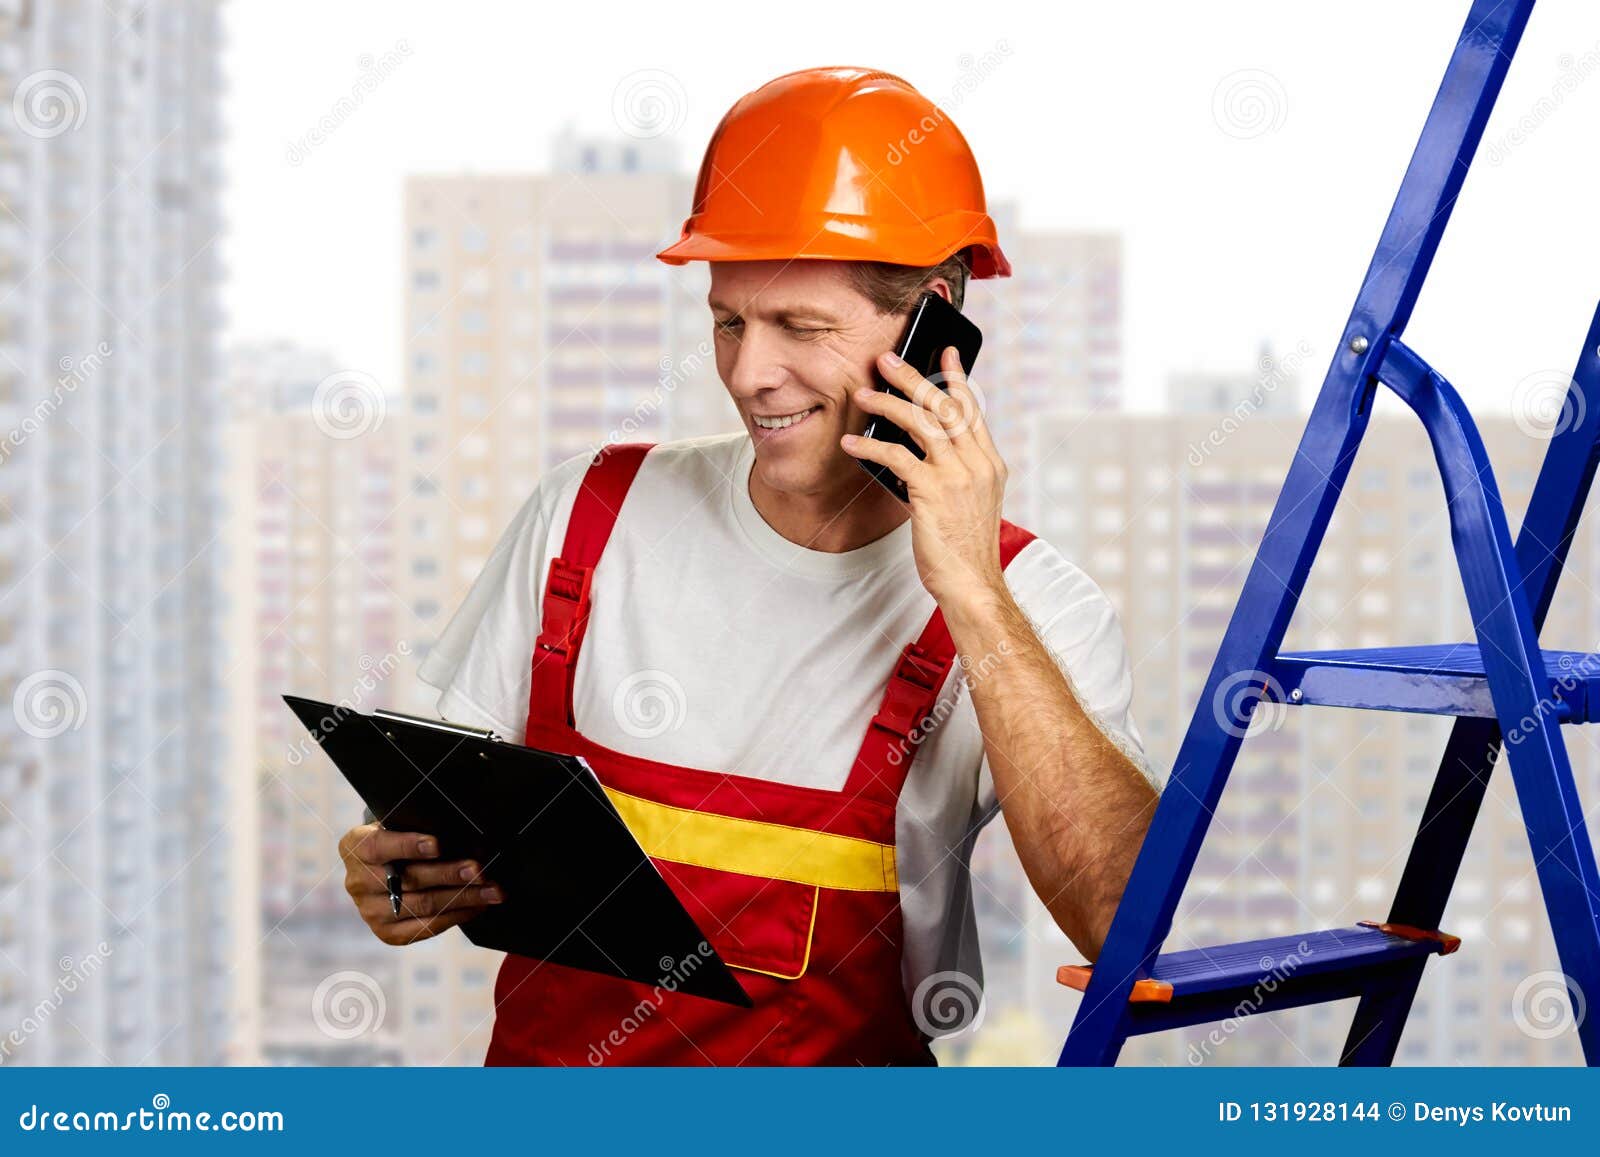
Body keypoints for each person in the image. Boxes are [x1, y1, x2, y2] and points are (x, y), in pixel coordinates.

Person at [338, 66, 1161, 1065]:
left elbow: (1122, 921)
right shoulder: (587, 517)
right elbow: (430, 817)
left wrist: (972, 592)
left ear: (933, 319)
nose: (746, 373)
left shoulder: (1031, 602)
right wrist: (394, 870)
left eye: (800, 327)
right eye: (728, 321)